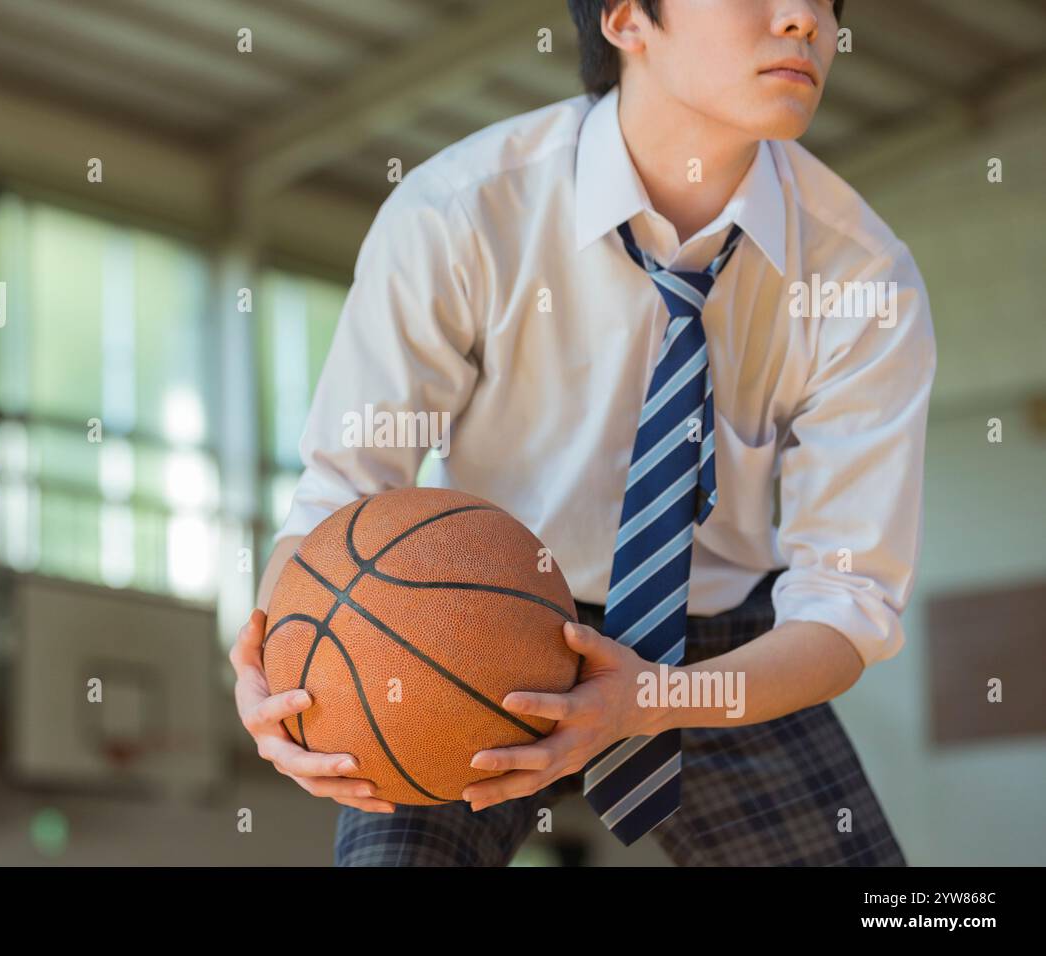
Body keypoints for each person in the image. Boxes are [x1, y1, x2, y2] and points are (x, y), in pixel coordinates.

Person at [230, 0, 936, 866]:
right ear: (628, 18)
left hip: (717, 646)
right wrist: (274, 662)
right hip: (456, 612)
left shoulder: (864, 277)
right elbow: (341, 495)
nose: (803, 20)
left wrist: (665, 697)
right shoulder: (457, 212)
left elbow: (847, 604)